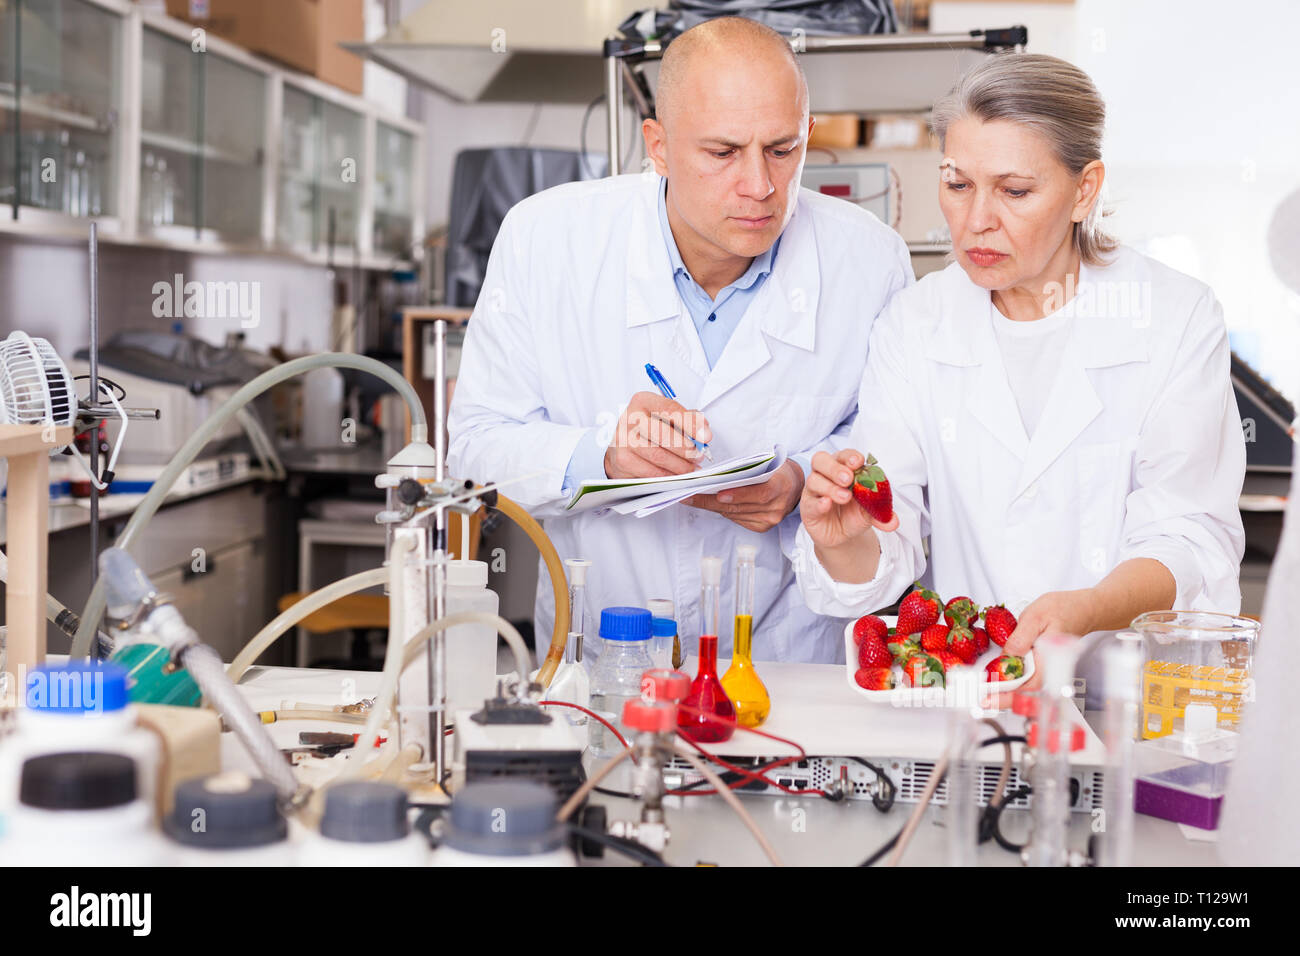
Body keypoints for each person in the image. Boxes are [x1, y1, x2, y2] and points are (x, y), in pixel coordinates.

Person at [448, 17, 913, 663]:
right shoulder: (545, 239)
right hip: (605, 662)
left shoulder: (872, 260)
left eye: (782, 150)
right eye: (722, 153)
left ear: (808, 135)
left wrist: (800, 481)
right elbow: (473, 453)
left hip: (791, 665)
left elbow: (895, 448)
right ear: (658, 146)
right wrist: (604, 457)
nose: (760, 186)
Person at [795, 53, 1246, 673]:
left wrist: (1088, 607)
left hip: (1129, 697)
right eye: (958, 186)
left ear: (1084, 190)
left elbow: (1189, 536)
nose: (977, 221)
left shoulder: (1173, 316)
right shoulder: (916, 324)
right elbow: (884, 543)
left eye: (1015, 191)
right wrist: (848, 542)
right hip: (977, 696)